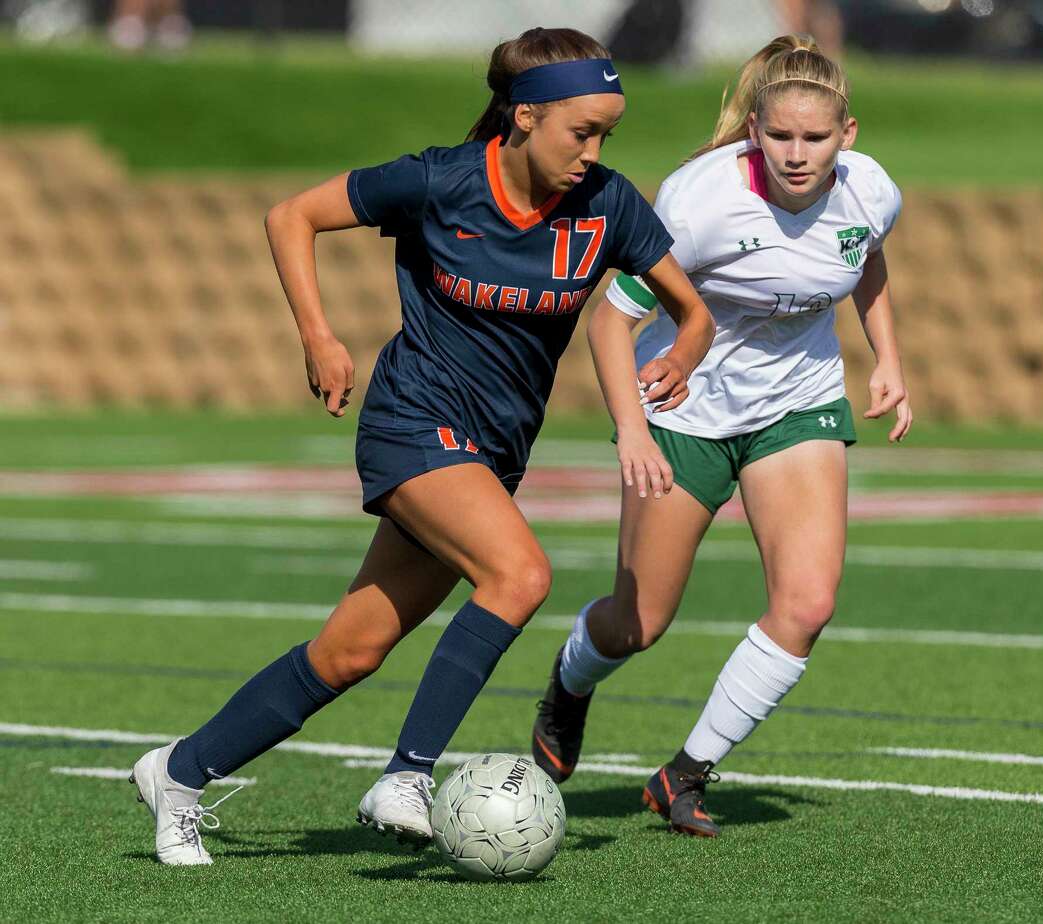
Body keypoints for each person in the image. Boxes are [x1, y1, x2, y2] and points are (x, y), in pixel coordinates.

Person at [128, 26, 714, 865]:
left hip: (491, 455)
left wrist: (686, 350)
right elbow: (291, 215)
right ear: (522, 118)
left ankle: (177, 773)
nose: (593, 151)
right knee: (520, 575)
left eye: (605, 136)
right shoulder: (439, 179)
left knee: (350, 651)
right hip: (412, 421)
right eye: (580, 131)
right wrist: (319, 337)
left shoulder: (608, 205)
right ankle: (406, 774)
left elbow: (691, 309)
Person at [532, 34, 912, 837]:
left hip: (797, 406)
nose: (797, 155)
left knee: (807, 604)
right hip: (684, 412)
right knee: (638, 624)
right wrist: (632, 429)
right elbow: (610, 323)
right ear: (753, 131)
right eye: (780, 137)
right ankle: (569, 684)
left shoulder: (871, 189)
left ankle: (684, 774)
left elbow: (864, 261)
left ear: (849, 134)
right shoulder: (699, 201)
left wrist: (889, 360)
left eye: (816, 139)